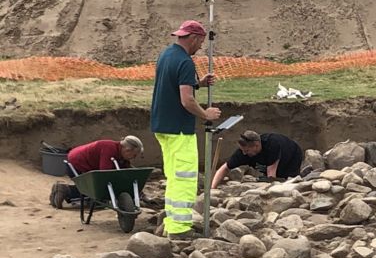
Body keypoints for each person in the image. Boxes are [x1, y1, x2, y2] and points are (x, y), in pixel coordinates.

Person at [150, 20, 221, 240]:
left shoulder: (166, 55)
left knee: (172, 176)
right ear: (194, 38)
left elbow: (175, 84)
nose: (200, 47)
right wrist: (205, 115)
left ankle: (171, 223)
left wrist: (198, 83)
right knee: (184, 178)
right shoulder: (185, 61)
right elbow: (187, 100)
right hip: (179, 130)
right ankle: (180, 230)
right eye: (200, 42)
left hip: (162, 126)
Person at [50, 135, 144, 209]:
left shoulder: (120, 153)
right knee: (97, 190)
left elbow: (128, 170)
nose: (133, 158)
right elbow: (104, 174)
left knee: (99, 192)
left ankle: (66, 191)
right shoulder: (109, 149)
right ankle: (65, 190)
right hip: (76, 163)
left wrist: (140, 191)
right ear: (127, 150)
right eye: (134, 155)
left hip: (84, 162)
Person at [211, 130, 303, 189]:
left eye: (247, 150)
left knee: (288, 180)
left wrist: (270, 190)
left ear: (256, 145)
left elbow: (271, 175)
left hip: (292, 155)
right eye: (243, 150)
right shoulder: (243, 153)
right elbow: (224, 168)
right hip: (267, 163)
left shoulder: (271, 145)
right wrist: (212, 188)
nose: (244, 153)